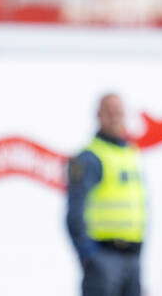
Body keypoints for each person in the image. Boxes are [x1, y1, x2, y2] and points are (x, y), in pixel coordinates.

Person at [66, 93, 145, 296]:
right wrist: (89, 256)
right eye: (109, 112)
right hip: (103, 258)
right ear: (98, 115)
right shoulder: (89, 157)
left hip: (132, 258)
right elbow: (74, 213)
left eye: (118, 111)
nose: (114, 117)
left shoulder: (130, 154)